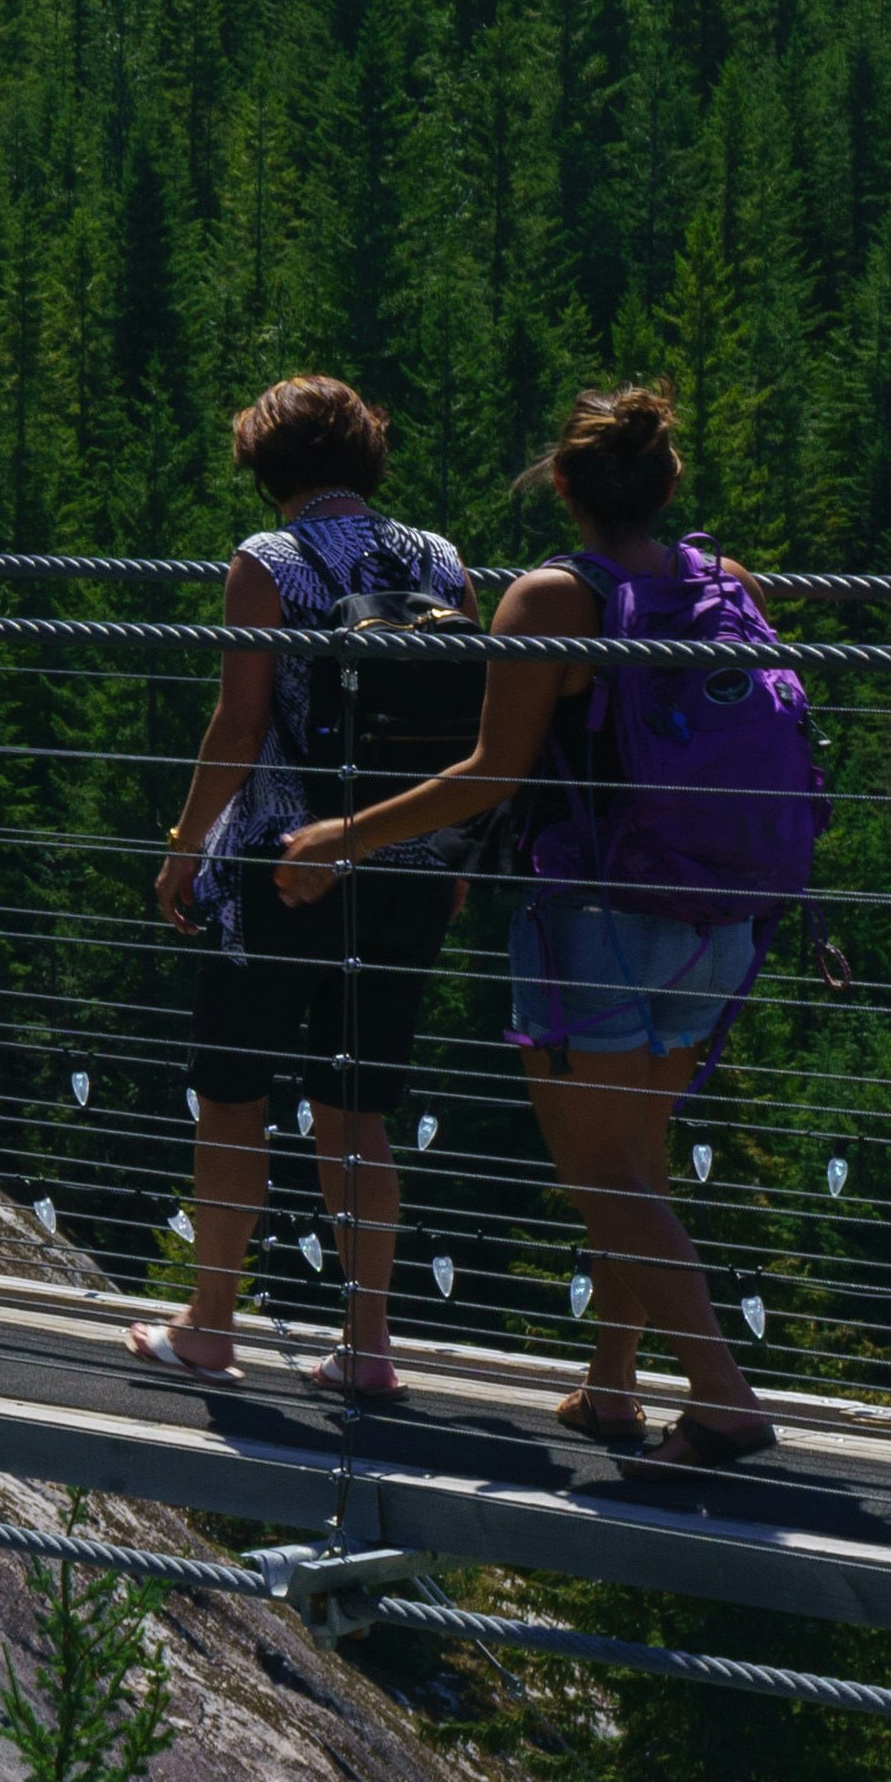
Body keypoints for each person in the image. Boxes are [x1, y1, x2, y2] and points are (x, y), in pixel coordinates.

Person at [278, 383, 804, 1466]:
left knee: (600, 1172)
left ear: (562, 488)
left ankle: (720, 1396)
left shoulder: (549, 600)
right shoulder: (729, 584)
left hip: (599, 910)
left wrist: (339, 836)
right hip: (724, 909)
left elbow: (487, 775)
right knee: (635, 1158)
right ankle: (610, 1386)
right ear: (666, 486)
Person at [140, 373, 476, 1402]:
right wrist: (451, 855)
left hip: (282, 868)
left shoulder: (267, 565)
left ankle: (208, 1327)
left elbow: (238, 727)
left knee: (231, 1095)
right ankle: (365, 1347)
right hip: (407, 861)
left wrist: (183, 850)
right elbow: (476, 725)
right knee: (355, 1108)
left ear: (264, 462)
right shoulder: (441, 560)